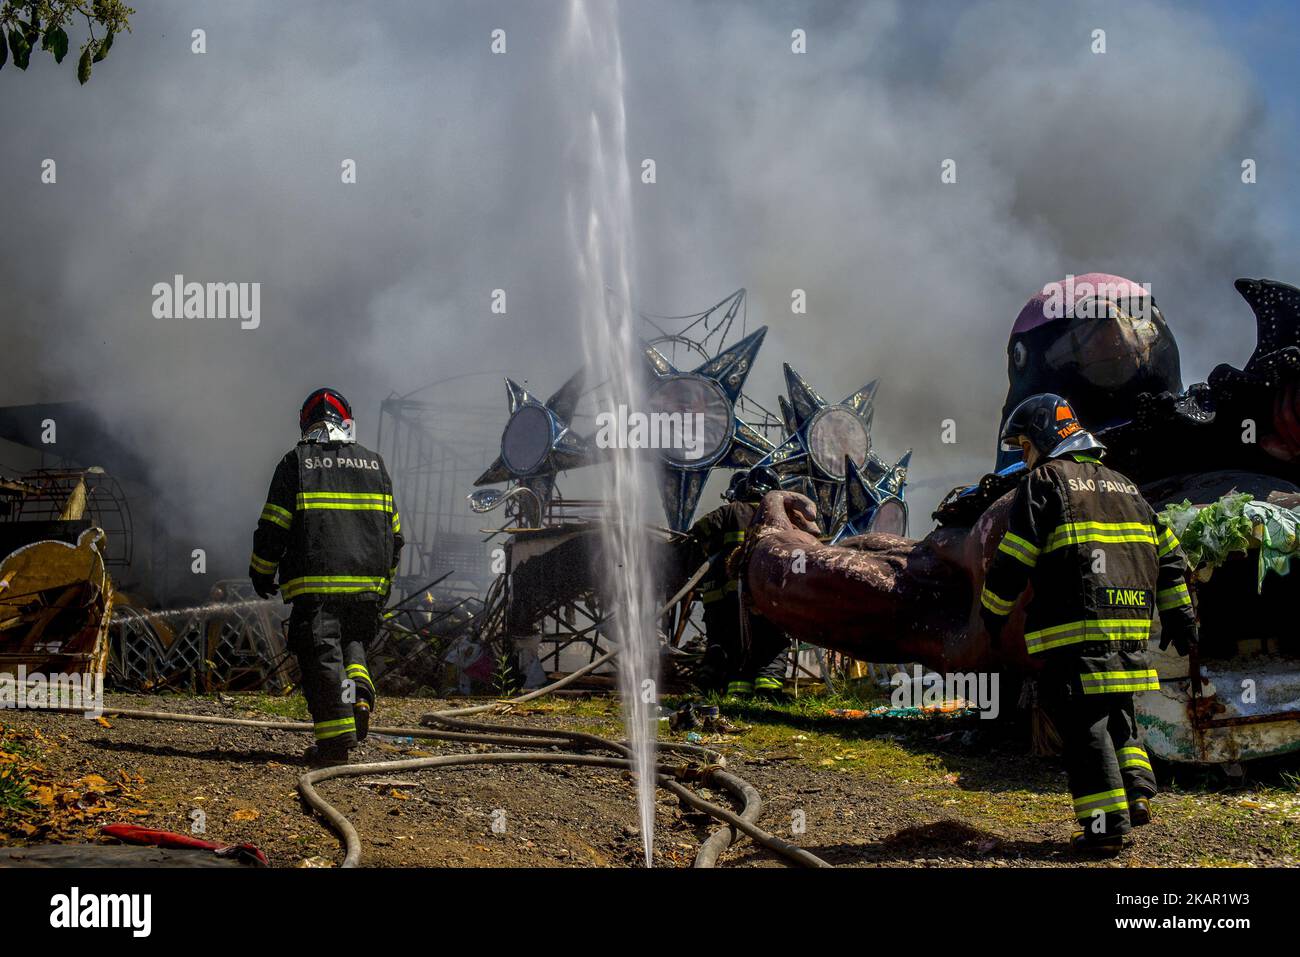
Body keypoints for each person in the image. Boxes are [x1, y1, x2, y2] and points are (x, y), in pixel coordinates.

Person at [979, 393, 1198, 853]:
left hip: (1076, 632)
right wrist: (1180, 614)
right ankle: (1136, 791)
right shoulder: (1127, 487)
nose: (1024, 456)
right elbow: (1171, 557)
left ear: (1041, 438)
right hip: (1129, 633)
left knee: (1084, 729)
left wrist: (992, 613)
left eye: (1023, 446)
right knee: (1118, 713)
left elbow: (1014, 558)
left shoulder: (1044, 482)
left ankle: (1104, 830)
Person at [249, 388, 403, 766]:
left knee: (321, 656)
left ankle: (334, 747)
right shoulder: (374, 464)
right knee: (352, 644)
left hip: (317, 586)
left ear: (306, 422)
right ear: (347, 421)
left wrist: (262, 571)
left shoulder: (296, 463)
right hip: (368, 585)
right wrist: (384, 582)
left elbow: (273, 527)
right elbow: (395, 536)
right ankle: (360, 695)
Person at [685, 465, 789, 699]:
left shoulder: (727, 511)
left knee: (732, 645)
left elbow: (697, 531)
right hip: (764, 596)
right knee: (772, 640)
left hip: (722, 598)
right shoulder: (779, 518)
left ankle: (735, 692)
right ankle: (768, 691)